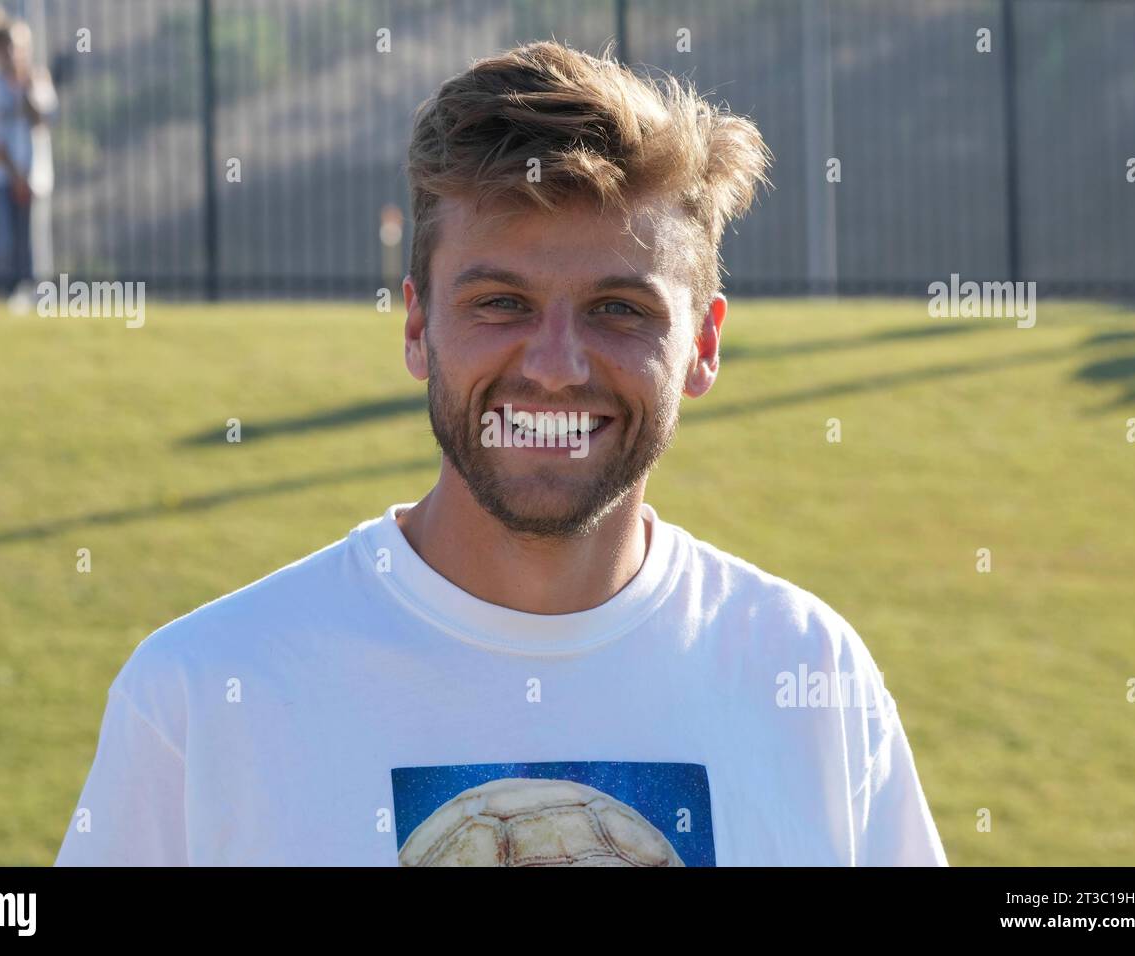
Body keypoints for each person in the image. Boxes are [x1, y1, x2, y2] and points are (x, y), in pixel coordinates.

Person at [55, 41, 948, 867]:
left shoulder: (812, 679)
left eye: (619, 309)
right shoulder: (206, 696)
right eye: (499, 303)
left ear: (704, 345)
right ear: (416, 325)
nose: (556, 369)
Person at [0, 8, 56, 300]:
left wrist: (28, 90)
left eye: (19, 48)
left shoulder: (37, 80)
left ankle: (33, 293)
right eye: (8, 47)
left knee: (30, 240)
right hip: (0, 174)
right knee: (2, 239)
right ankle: (1, 295)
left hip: (34, 175)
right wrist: (8, 165)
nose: (13, 54)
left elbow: (43, 119)